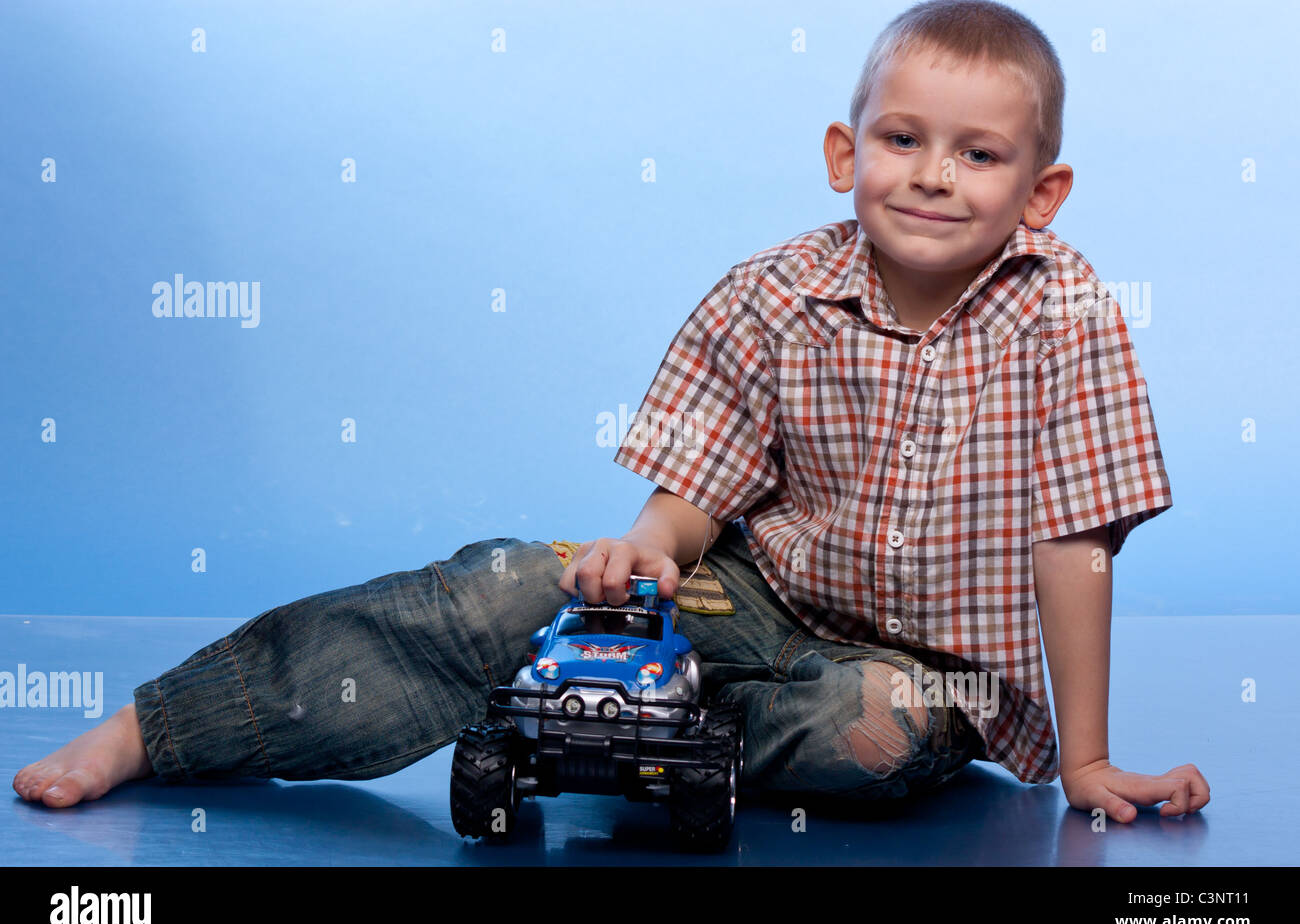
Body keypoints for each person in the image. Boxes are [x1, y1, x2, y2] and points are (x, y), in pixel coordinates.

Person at [14, 0, 1209, 823]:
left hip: (927, 669)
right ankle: (167, 726)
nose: (935, 175)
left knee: (875, 728)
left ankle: (622, 743)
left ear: (1040, 192)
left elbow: (1075, 541)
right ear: (847, 154)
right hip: (753, 599)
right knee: (506, 584)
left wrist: (1086, 754)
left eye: (979, 154)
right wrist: (647, 544)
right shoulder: (773, 291)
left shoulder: (1068, 316)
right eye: (904, 140)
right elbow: (699, 477)